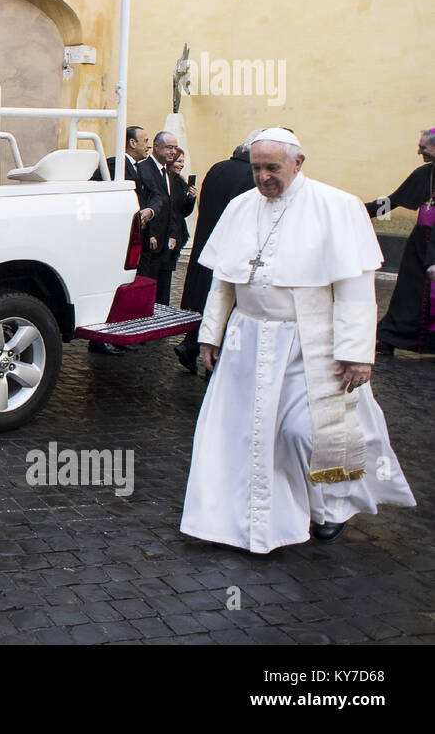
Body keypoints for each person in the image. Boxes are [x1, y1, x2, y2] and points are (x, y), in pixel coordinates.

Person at [180, 129, 414, 553]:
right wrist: (210, 336)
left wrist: (358, 354)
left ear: (298, 163)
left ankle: (333, 507)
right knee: (243, 434)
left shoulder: (337, 207)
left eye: (273, 168)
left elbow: (356, 291)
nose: (264, 178)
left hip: (311, 341)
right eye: (257, 168)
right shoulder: (240, 206)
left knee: (310, 433)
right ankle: (245, 520)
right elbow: (223, 281)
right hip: (247, 340)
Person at [174, 132, 260, 373]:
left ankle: (190, 343)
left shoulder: (217, 168)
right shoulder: (253, 177)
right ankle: (213, 357)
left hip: (205, 240)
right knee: (225, 299)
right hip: (231, 245)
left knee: (201, 296)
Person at [89, 125, 167, 355]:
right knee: (110, 286)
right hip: (114, 238)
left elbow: (156, 196)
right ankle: (101, 338)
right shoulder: (115, 165)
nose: (148, 145)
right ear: (132, 143)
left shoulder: (141, 169)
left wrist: (149, 211)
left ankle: (118, 334)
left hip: (132, 237)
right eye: (144, 140)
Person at [365, 127, 435, 355]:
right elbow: (393, 202)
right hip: (420, 245)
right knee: (409, 294)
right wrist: (358, 211)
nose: (418, 151)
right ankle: (389, 337)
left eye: (422, 147)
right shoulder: (424, 173)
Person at [135, 131, 179, 288]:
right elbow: (144, 201)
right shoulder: (143, 168)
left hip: (165, 244)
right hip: (150, 242)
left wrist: (173, 233)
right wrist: (151, 233)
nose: (173, 151)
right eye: (169, 147)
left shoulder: (167, 171)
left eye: (175, 148)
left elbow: (171, 205)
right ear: (156, 146)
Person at [155, 147, 197, 306]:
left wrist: (191, 199)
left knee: (167, 274)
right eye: (179, 161)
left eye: (182, 162)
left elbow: (182, 211)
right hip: (167, 234)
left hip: (176, 232)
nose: (181, 165)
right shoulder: (167, 181)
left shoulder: (179, 182)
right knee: (162, 275)